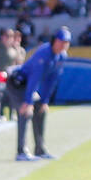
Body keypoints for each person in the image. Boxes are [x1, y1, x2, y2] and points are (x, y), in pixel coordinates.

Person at [14, 26, 71, 160]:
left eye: (66, 42)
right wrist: (28, 101)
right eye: (61, 41)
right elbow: (34, 78)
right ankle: (21, 152)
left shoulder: (62, 56)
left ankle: (40, 149)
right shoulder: (44, 53)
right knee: (25, 112)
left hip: (30, 86)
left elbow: (52, 80)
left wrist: (44, 101)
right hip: (18, 83)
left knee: (41, 111)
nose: (63, 45)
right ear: (54, 41)